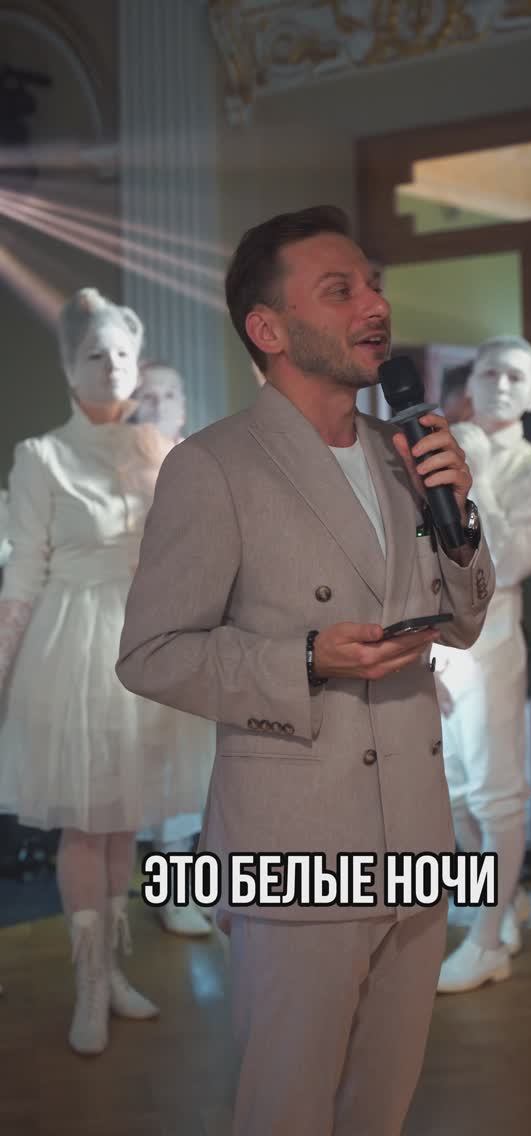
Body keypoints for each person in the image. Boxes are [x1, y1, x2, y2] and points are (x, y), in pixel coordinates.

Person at [116, 205, 495, 1136]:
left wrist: (461, 516)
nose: (375, 305)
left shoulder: (407, 456)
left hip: (416, 840)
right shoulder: (214, 467)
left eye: (374, 285)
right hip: (294, 847)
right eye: (341, 290)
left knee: (381, 1111)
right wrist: (304, 659)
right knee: (284, 1112)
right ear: (269, 328)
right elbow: (151, 653)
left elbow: (465, 621)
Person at [0, 288, 215, 1055]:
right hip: (72, 647)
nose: (113, 365)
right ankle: (89, 981)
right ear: (70, 367)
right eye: (95, 354)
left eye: (123, 353)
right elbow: (24, 571)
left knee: (124, 815)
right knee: (85, 824)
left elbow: (194, 557)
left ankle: (116, 969)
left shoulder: (163, 451)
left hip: (145, 644)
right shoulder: (42, 457)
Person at [434, 335, 531, 993]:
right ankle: (498, 901)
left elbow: (508, 562)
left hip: (492, 640)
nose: (501, 384)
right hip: (431, 639)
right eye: (490, 371)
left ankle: (488, 940)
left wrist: (479, 474)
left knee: (496, 791)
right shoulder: (437, 450)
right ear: (470, 383)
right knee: (452, 787)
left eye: (517, 376)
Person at [132, 359, 214, 937]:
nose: (158, 403)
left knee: (196, 763)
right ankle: (155, 887)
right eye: (148, 393)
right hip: (130, 625)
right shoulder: (113, 466)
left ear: (183, 407)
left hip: (198, 626)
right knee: (148, 762)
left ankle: (190, 885)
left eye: (169, 394)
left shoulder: (203, 463)